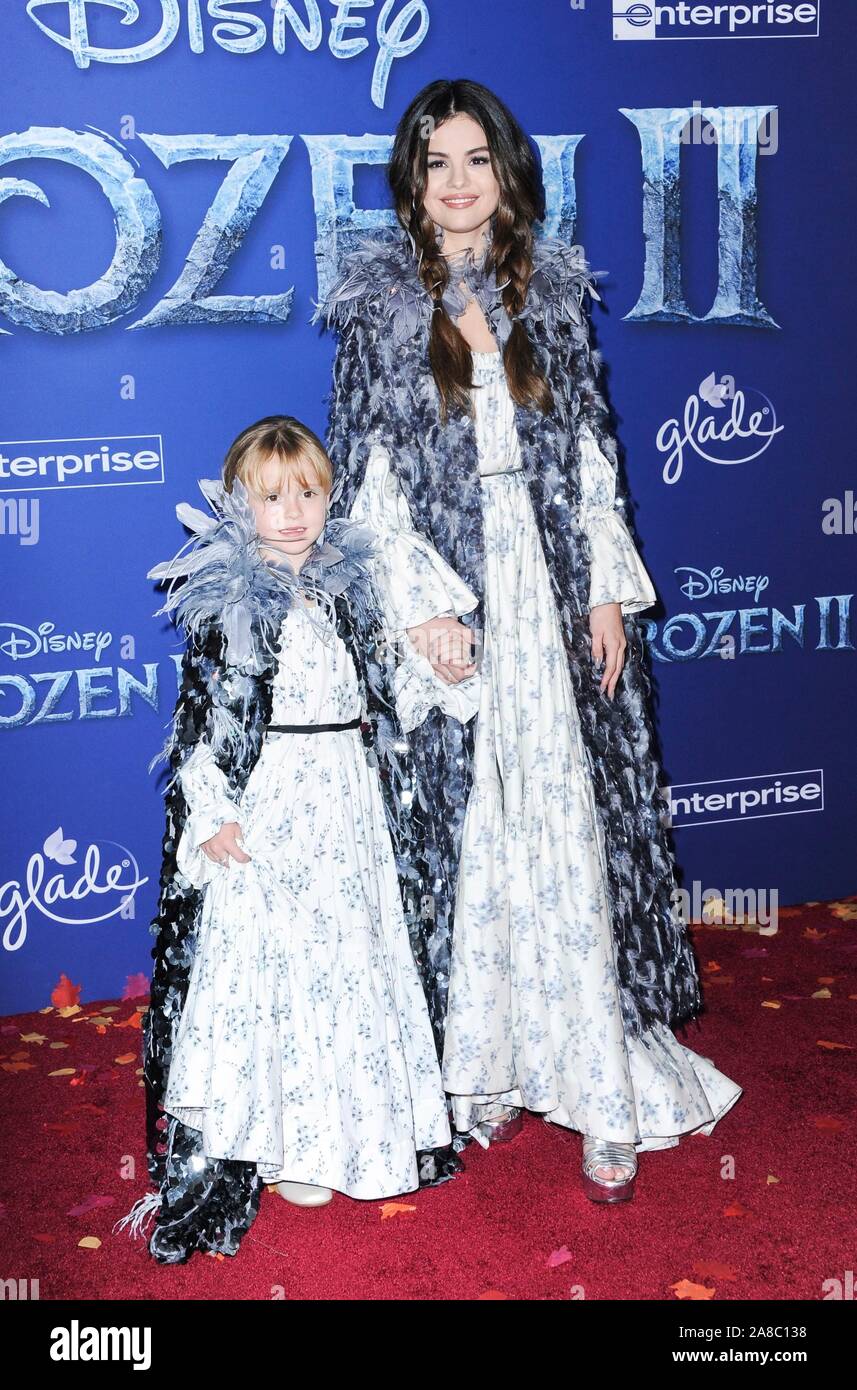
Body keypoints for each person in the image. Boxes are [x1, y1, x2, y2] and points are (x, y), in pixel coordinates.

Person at [312, 78, 743, 1202]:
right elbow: (365, 477)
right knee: (470, 827)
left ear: (506, 173)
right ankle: (486, 1064)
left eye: (475, 161)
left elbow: (592, 452)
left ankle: (599, 1083)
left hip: (549, 584)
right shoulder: (376, 304)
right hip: (452, 595)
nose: (456, 184)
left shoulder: (549, 294)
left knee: (562, 824)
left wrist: (605, 590)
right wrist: (415, 606)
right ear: (411, 183)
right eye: (434, 164)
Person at [114, 416, 451, 1263]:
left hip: (347, 799)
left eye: (307, 492)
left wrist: (441, 666)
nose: (292, 511)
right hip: (273, 807)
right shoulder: (229, 605)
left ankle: (357, 1130)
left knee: (352, 958)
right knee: (281, 966)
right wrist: (213, 810)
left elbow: (389, 694)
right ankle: (289, 1139)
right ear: (241, 503)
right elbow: (200, 727)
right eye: (272, 497)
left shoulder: (353, 589)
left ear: (329, 496)